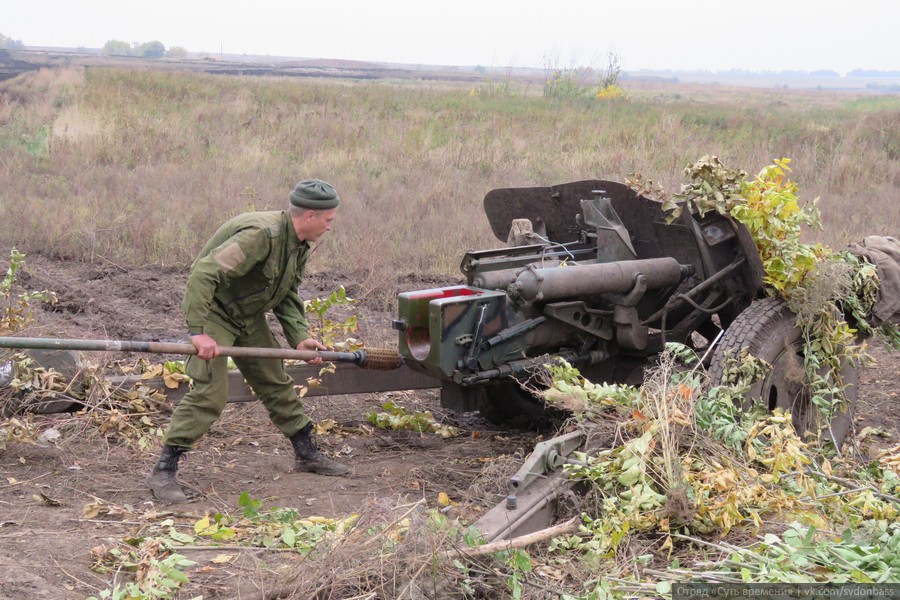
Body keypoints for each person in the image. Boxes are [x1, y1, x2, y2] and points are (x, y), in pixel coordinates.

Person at [147, 179, 350, 503]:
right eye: (328, 220)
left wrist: (300, 338)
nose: (329, 227)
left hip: (248, 317)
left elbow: (287, 294)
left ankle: (306, 453)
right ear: (310, 215)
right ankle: (163, 471)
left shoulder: (297, 246)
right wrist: (198, 331)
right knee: (210, 394)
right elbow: (204, 273)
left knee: (275, 381)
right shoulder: (261, 235)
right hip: (216, 313)